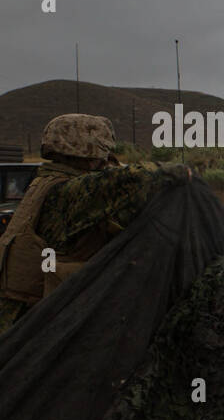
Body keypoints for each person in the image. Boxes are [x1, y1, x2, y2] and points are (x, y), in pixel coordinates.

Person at [0, 114, 190, 333]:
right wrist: (178, 172)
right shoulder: (72, 191)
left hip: (20, 311)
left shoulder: (44, 182)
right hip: (31, 322)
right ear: (90, 154)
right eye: (102, 155)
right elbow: (133, 179)